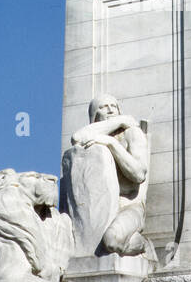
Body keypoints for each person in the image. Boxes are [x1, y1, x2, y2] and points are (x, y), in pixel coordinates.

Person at [60, 94, 154, 258]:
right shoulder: (93, 138)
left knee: (112, 241)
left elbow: (138, 174)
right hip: (97, 212)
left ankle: (145, 245)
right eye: (103, 107)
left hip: (128, 207)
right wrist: (117, 122)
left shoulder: (132, 134)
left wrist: (111, 143)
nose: (110, 109)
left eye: (114, 106)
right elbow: (76, 138)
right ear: (95, 115)